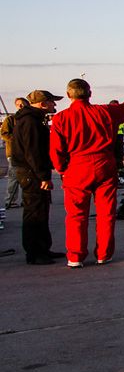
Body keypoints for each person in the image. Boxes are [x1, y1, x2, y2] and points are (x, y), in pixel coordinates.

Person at [49, 79, 124, 267]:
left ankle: (75, 256)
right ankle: (103, 254)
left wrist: (62, 169)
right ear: (90, 94)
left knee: (76, 215)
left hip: (77, 167)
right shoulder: (105, 112)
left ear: (68, 95)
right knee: (106, 213)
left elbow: (56, 150)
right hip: (104, 164)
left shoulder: (61, 118)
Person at [10, 90, 64, 265]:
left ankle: (43, 249)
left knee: (41, 210)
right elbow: (33, 152)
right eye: (52, 102)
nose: (54, 105)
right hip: (30, 173)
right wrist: (43, 177)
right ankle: (34, 253)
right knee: (34, 212)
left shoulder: (31, 119)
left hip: (30, 171)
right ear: (42, 104)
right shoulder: (30, 122)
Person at [2, 97, 30, 208]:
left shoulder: (29, 119)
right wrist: (17, 140)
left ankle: (26, 200)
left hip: (27, 153)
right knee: (13, 177)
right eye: (19, 104)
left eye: (23, 104)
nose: (21, 106)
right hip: (14, 153)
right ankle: (11, 200)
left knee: (27, 178)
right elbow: (4, 134)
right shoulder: (10, 119)